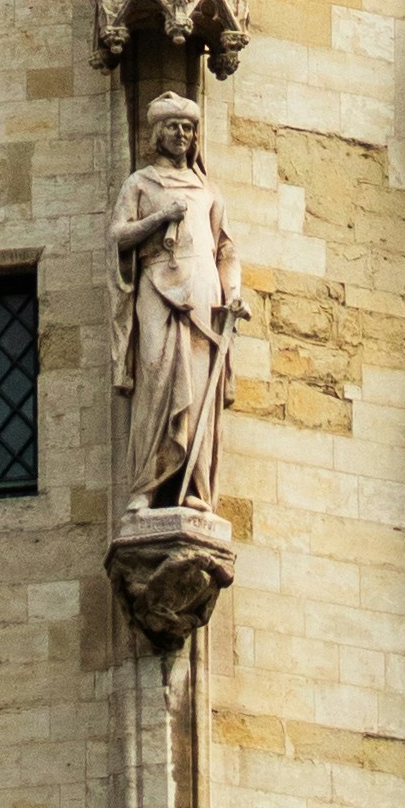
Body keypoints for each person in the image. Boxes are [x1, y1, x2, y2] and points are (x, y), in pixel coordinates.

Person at [110, 93, 241, 514]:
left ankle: (195, 488)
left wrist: (233, 292)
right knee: (155, 377)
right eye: (173, 127)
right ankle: (146, 486)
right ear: (156, 133)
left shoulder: (208, 190)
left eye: (187, 128)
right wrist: (159, 219)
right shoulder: (141, 183)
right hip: (158, 286)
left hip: (203, 288)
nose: (181, 134)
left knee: (200, 386)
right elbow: (118, 236)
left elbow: (225, 249)